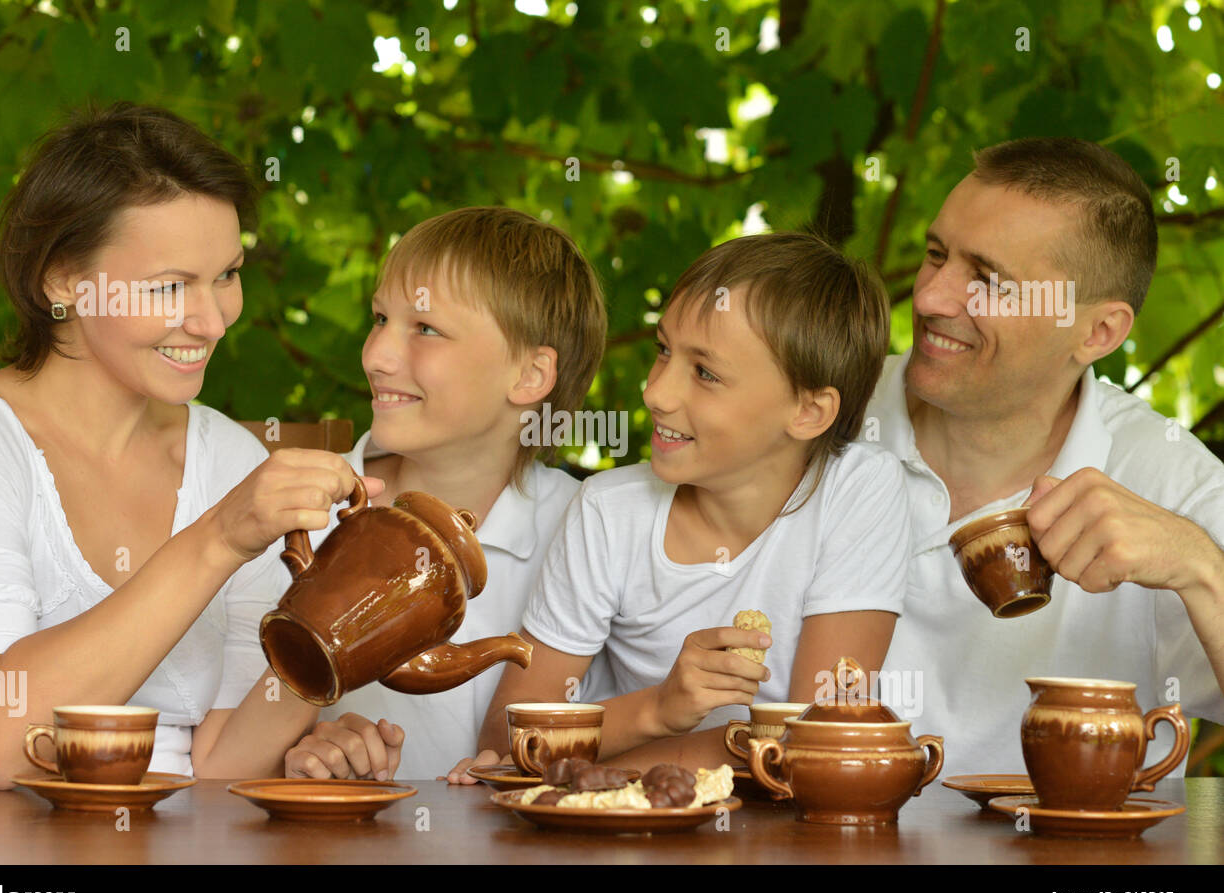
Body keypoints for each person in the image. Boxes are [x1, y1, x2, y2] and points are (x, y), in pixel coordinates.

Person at [0, 102, 388, 788]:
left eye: (226, 275)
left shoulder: (229, 460)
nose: (210, 320)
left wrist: (335, 633)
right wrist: (221, 536)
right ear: (62, 280)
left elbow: (218, 760)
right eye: (169, 285)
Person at [479, 232, 911, 771]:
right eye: (663, 350)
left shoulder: (857, 489)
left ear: (808, 412)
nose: (656, 392)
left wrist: (592, 765)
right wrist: (659, 709)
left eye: (705, 373)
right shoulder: (609, 511)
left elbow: (817, 741)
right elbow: (504, 740)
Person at [865, 137, 1224, 776]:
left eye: (988, 281)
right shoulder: (817, 416)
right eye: (936, 255)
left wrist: (1199, 569)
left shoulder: (1171, 478)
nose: (929, 298)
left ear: (1097, 333)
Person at [282, 206, 607, 782]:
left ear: (530, 376)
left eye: (425, 328)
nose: (376, 355)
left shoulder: (594, 531)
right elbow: (222, 735)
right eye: (379, 317)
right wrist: (302, 750)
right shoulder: (297, 510)